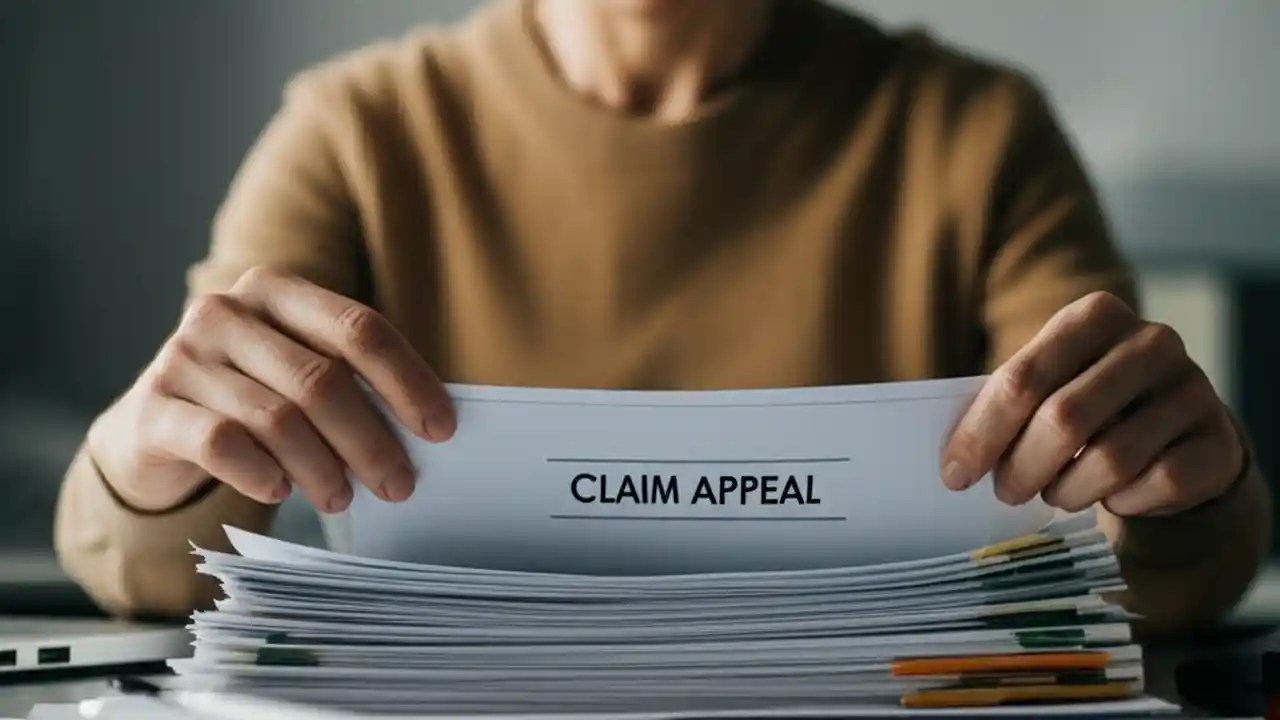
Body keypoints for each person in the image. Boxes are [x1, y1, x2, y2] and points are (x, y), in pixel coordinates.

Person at [55, 0, 1268, 632]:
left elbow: (1147, 567)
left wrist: (1180, 495)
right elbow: (163, 566)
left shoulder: (976, 133)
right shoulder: (354, 132)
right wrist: (141, 461)